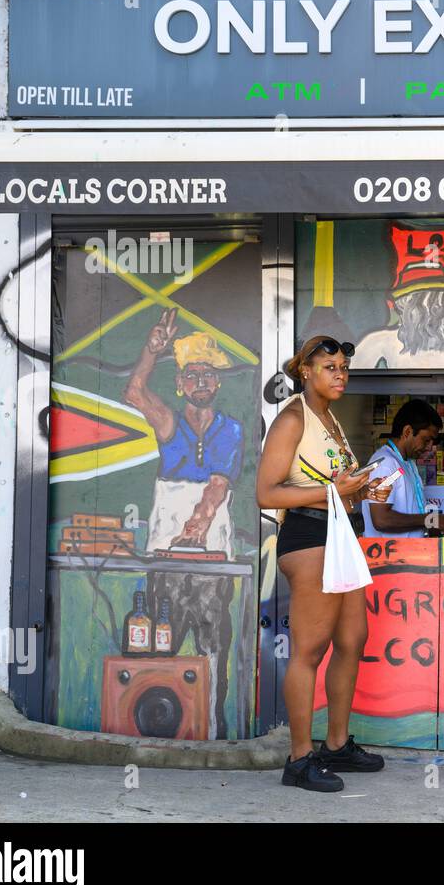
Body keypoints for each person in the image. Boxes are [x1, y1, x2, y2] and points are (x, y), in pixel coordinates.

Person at [256, 335, 391, 792]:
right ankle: (298, 759)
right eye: (329, 366)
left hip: (341, 532)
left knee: (353, 639)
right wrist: (336, 492)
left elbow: (338, 482)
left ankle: (336, 745)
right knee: (310, 649)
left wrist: (367, 492)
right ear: (305, 371)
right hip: (310, 535)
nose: (340, 373)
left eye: (343, 367)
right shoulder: (292, 419)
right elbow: (267, 493)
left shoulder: (328, 418)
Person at [123, 309, 245, 737]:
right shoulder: (169, 424)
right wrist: (150, 351)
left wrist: (197, 525)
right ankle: (160, 732)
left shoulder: (231, 429)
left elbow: (216, 487)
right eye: (192, 375)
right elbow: (135, 391)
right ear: (179, 383)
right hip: (166, 558)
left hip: (212, 561)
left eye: (207, 375)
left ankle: (210, 732)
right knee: (163, 644)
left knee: (213, 651)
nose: (200, 383)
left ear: (218, 384)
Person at [363, 399, 444, 539]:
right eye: (426, 440)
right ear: (407, 431)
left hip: (407, 555)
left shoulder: (406, 463)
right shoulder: (387, 464)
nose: (429, 447)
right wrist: (430, 520)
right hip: (389, 557)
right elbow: (381, 519)